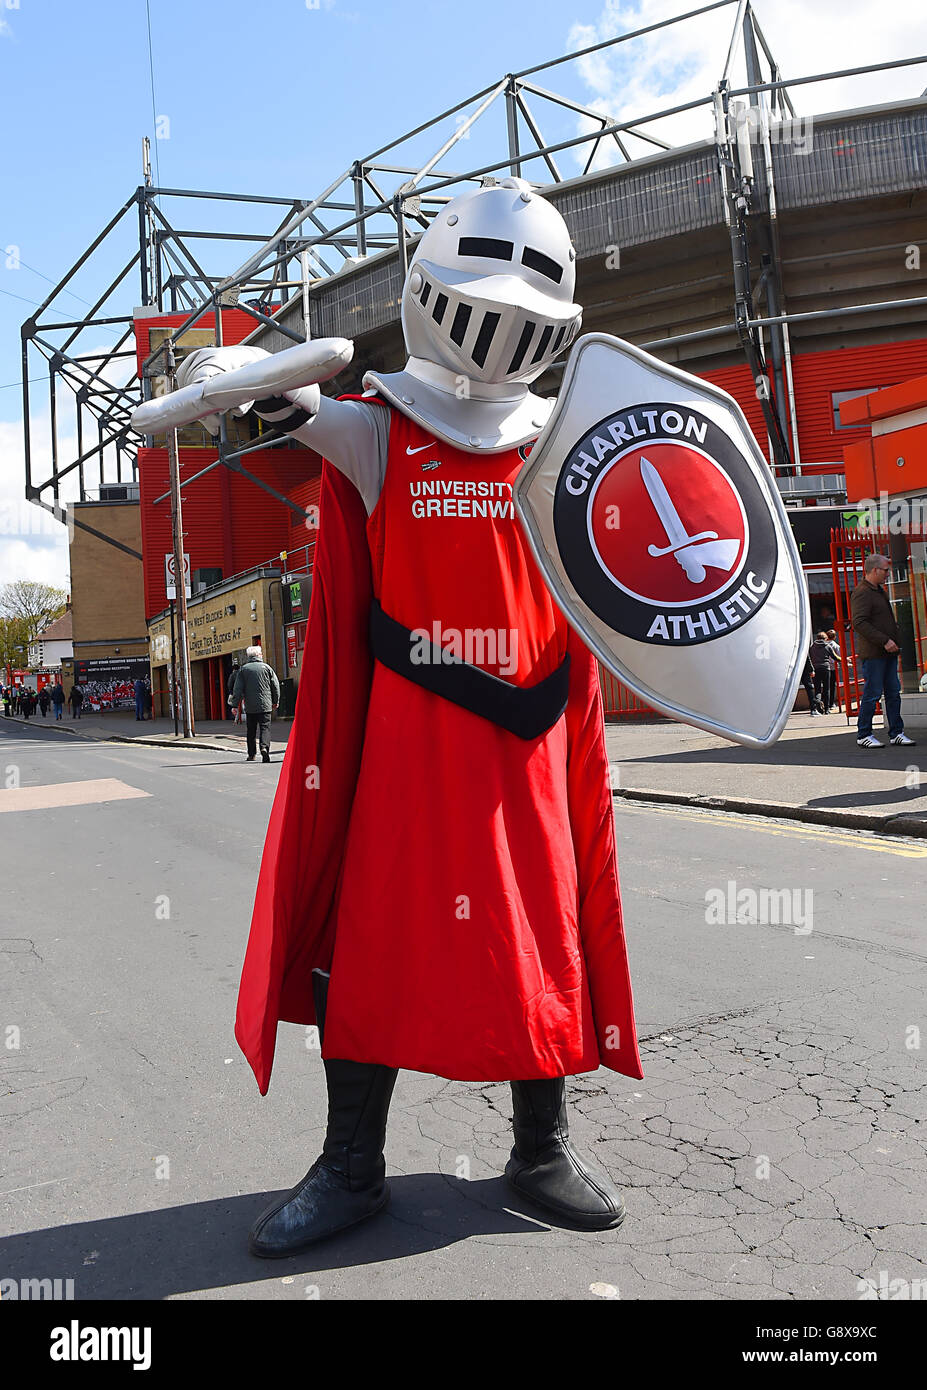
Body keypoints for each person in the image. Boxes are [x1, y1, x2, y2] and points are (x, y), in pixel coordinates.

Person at [851, 554, 915, 749]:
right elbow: (859, 622)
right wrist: (884, 640)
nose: (888, 574)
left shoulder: (879, 590)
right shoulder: (863, 592)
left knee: (893, 693)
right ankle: (864, 734)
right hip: (874, 653)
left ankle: (896, 732)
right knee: (872, 694)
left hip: (887, 652)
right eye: (885, 570)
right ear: (874, 570)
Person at [231, 646, 280, 763]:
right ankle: (264, 748)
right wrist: (275, 701)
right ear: (258, 655)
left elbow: (237, 689)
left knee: (251, 730)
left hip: (250, 706)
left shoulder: (244, 670)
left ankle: (251, 754)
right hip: (265, 704)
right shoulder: (267, 668)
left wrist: (234, 705)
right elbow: (275, 686)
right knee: (265, 728)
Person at [808, 630, 834, 715]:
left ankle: (817, 700)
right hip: (826, 668)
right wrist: (844, 659)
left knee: (817, 688)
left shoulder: (812, 647)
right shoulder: (827, 646)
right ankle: (826, 709)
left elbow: (810, 658)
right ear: (825, 638)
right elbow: (835, 657)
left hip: (815, 669)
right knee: (826, 689)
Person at [825, 629, 841, 712]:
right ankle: (831, 703)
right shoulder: (835, 646)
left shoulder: (823, 644)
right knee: (832, 686)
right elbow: (839, 657)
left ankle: (825, 703)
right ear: (834, 637)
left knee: (825, 686)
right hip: (833, 667)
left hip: (825, 667)